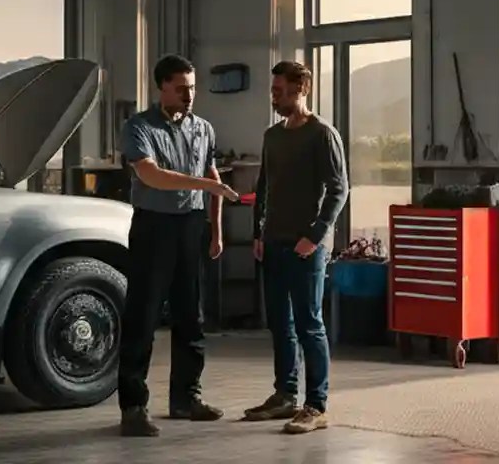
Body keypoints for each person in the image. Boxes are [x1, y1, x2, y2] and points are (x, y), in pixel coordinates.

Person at [118, 54, 238, 438]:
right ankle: (133, 407)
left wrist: (216, 231)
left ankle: (187, 398)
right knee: (143, 317)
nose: (189, 95)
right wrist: (205, 185)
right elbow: (151, 175)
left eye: (193, 88)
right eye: (181, 88)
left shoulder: (203, 128)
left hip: (191, 226)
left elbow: (213, 177)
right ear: (162, 88)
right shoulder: (139, 127)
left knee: (191, 315)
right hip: (153, 227)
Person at [243, 60, 348, 434]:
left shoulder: (322, 135)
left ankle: (316, 405)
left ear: (301, 89)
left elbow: (339, 190)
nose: (273, 97)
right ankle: (285, 395)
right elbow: (264, 187)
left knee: (309, 324)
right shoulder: (272, 136)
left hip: (307, 247)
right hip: (273, 242)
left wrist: (315, 236)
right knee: (280, 324)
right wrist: (258, 233)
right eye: (273, 90)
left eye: (279, 90)